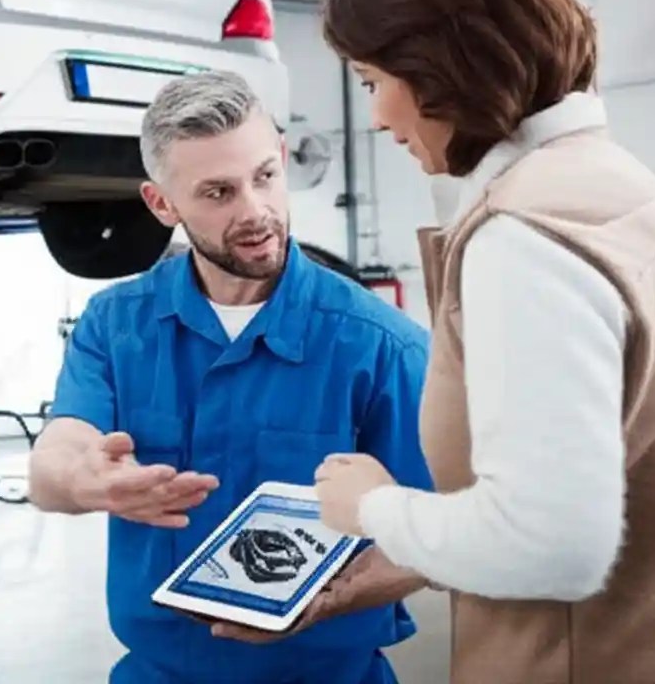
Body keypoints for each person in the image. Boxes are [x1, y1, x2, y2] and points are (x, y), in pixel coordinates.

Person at [312, 0, 655, 683]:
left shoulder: (525, 239)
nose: (379, 117)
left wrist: (375, 509)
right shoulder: (624, 186)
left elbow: (549, 547)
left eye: (371, 81)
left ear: (442, 65)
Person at [27, 70, 435, 684]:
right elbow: (52, 466)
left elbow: (435, 534)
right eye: (218, 193)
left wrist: (331, 598)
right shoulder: (115, 326)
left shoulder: (382, 346)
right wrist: (87, 481)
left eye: (265, 177)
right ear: (161, 203)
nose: (255, 211)